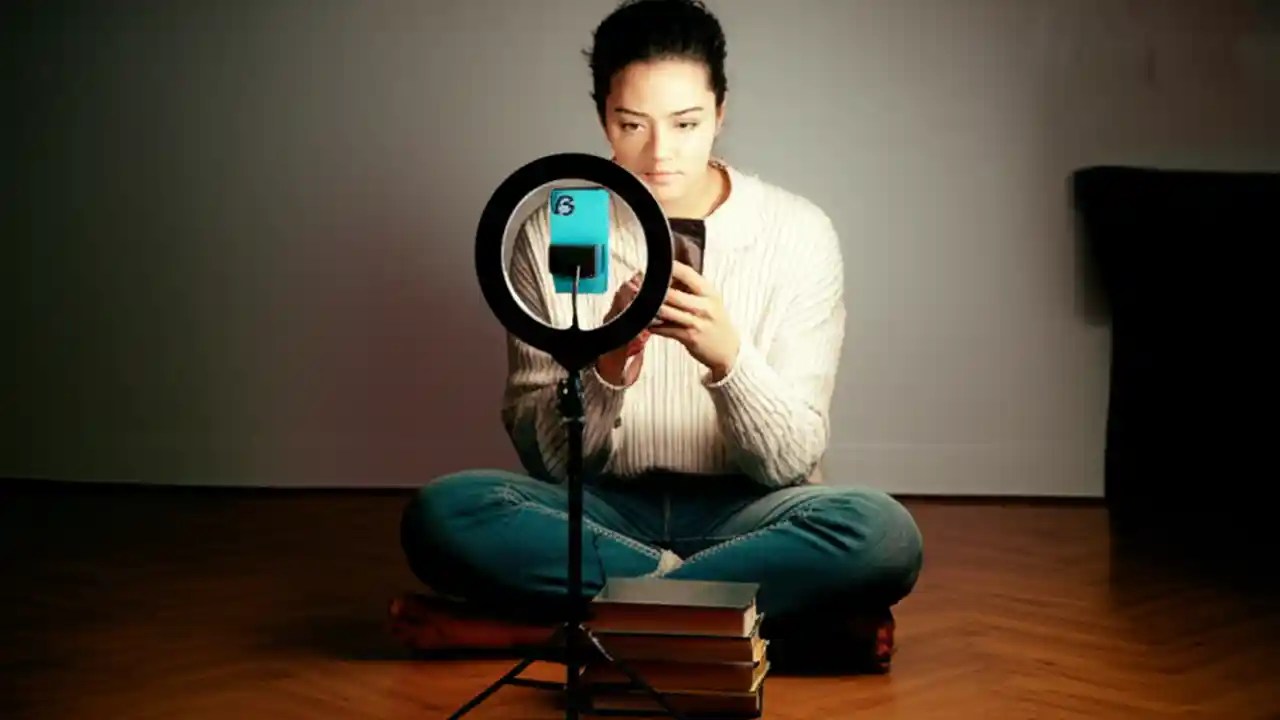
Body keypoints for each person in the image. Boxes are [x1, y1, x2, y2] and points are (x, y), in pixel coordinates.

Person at [391, 0, 923, 673]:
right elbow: (554, 468)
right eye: (631, 124)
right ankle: (746, 621)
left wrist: (729, 359)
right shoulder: (568, 224)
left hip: (751, 514)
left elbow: (790, 463)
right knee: (445, 514)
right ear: (601, 117)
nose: (660, 151)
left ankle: (540, 633)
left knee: (881, 535)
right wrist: (605, 367)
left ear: (721, 111)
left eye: (686, 122)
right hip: (602, 513)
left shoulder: (796, 231)